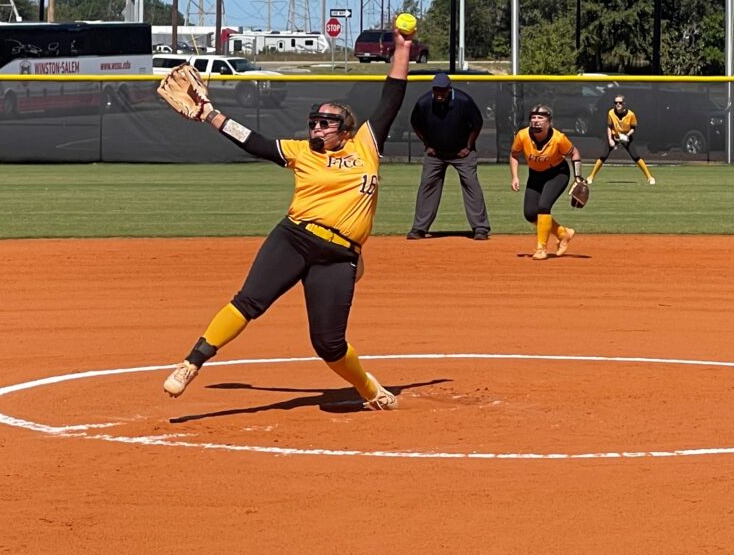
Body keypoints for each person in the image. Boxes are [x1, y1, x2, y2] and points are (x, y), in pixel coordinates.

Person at [160, 28, 413, 410]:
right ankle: (191, 362)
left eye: (325, 123)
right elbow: (255, 141)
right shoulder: (300, 152)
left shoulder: (366, 146)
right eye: (313, 122)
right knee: (249, 301)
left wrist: (403, 49)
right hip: (293, 238)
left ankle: (368, 388)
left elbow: (392, 96)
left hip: (339, 255)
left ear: (345, 131)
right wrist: (211, 114)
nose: (316, 128)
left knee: (328, 344)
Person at [407, 72, 490, 241]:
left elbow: (477, 123)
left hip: (462, 153)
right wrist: (427, 144)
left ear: (449, 89)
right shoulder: (424, 103)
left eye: (442, 90)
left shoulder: (463, 101)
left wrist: (468, 146)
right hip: (435, 153)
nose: (439, 94)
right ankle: (419, 228)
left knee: (471, 185)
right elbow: (415, 124)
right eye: (436, 90)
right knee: (427, 186)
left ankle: (480, 228)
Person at [509, 103, 584, 260]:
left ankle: (541, 249)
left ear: (549, 121)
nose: (536, 120)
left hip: (557, 174)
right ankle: (563, 233)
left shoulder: (558, 138)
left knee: (543, 206)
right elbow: (514, 154)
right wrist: (515, 176)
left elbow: (574, 153)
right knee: (530, 214)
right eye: (533, 117)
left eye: (540, 117)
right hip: (535, 175)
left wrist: (578, 178)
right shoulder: (522, 136)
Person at [587, 93, 655, 186]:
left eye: (620, 102)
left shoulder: (631, 114)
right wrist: (610, 139)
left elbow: (633, 128)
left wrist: (626, 136)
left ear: (624, 104)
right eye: (616, 103)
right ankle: (591, 177)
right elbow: (609, 126)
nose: (618, 104)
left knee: (636, 156)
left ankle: (650, 177)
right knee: (603, 156)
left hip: (626, 136)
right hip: (615, 136)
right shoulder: (611, 112)